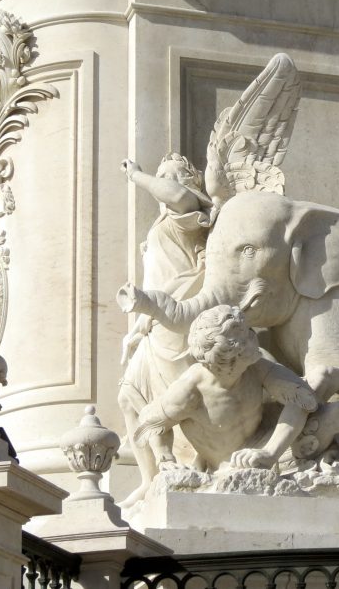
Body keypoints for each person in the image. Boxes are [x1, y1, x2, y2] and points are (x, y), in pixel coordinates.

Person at [135, 305, 339, 483]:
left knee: (324, 375)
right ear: (229, 353)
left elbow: (302, 396)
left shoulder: (252, 364)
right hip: (239, 462)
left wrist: (271, 449)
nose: (254, 336)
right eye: (246, 335)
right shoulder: (190, 390)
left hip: (270, 448)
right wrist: (165, 460)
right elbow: (150, 423)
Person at [117, 153, 214, 507]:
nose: (161, 179)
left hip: (179, 312)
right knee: (129, 396)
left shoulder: (187, 212)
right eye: (159, 174)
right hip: (153, 317)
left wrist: (138, 176)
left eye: (167, 174)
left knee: (174, 399)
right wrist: (139, 326)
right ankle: (153, 474)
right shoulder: (162, 224)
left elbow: (178, 196)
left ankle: (192, 461)